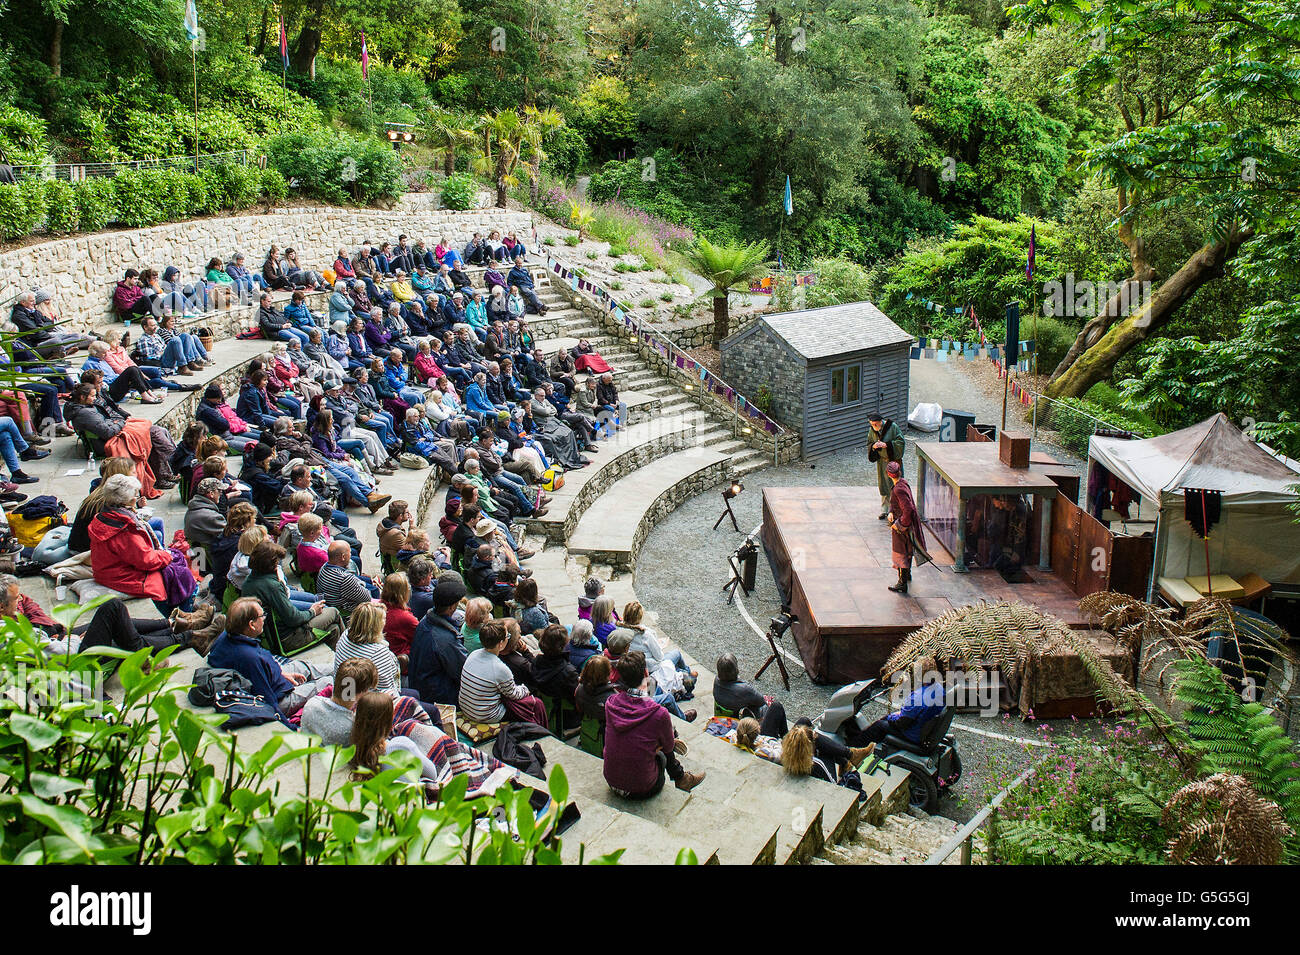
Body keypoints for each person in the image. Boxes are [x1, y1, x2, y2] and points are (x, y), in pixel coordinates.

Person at [87, 474, 195, 617]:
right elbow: (146, 560)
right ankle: (184, 617)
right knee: (184, 575)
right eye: (136, 496)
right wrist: (166, 555)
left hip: (110, 569)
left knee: (177, 562)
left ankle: (182, 608)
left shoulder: (105, 516)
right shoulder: (124, 530)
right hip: (123, 575)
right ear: (129, 500)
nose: (137, 498)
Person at [207, 598, 332, 719]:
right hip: (281, 698)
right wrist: (290, 727)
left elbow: (213, 658)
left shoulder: (226, 637)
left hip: (276, 676)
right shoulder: (250, 658)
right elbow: (267, 699)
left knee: (304, 667)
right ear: (251, 625)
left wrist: (280, 673)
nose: (264, 619)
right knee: (327, 682)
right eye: (262, 616)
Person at [603, 651, 705, 798]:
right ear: (646, 672)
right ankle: (682, 778)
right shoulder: (658, 713)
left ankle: (682, 778)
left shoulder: (611, 703)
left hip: (611, 780)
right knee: (663, 754)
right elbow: (669, 747)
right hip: (642, 787)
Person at [240, 540, 343, 651]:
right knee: (333, 611)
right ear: (271, 564)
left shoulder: (248, 582)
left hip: (270, 637)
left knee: (334, 629)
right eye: (277, 562)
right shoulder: (272, 586)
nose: (278, 565)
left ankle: (343, 653)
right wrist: (313, 611)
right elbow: (293, 618)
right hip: (288, 638)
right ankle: (351, 649)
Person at [458, 619, 547, 725]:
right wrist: (526, 688)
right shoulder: (500, 668)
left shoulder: (473, 654)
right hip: (486, 715)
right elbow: (514, 695)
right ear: (501, 644)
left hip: (466, 707)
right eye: (507, 636)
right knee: (534, 704)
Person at [409, 573, 469, 705]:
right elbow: (462, 672)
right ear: (452, 607)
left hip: (419, 682)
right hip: (437, 695)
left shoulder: (426, 620)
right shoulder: (445, 639)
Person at [334, 601, 403, 696]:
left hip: (345, 693)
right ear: (375, 625)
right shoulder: (379, 652)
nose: (385, 622)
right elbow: (387, 689)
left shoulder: (346, 634)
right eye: (383, 619)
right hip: (366, 702)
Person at [886, 460, 927, 594]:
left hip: (903, 527)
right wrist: (891, 511)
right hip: (905, 524)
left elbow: (907, 509)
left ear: (888, 474)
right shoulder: (902, 483)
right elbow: (897, 502)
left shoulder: (898, 489)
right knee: (906, 551)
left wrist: (899, 525)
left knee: (901, 553)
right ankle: (906, 575)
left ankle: (902, 583)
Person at [316, 540, 381, 620]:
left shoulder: (324, 567)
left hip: (332, 600)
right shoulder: (344, 579)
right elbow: (367, 598)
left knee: (367, 581)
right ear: (343, 557)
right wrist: (360, 584)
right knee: (374, 591)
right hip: (346, 609)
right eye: (349, 553)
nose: (350, 555)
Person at [868, 412, 906, 520]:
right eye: (872, 424)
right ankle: (885, 509)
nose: (874, 426)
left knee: (896, 486)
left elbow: (901, 442)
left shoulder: (892, 427)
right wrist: (873, 447)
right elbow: (869, 443)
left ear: (881, 422)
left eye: (876, 424)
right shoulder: (872, 430)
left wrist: (887, 445)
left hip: (893, 461)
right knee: (884, 485)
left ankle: (897, 510)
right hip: (882, 462)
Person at [382, 571, 420, 658]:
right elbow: (422, 638)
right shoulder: (404, 618)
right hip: (402, 662)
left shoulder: (379, 607)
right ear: (404, 593)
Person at [183, 477, 227, 546]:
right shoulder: (212, 517)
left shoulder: (193, 507)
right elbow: (229, 534)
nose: (221, 494)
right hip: (208, 553)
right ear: (211, 494)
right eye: (219, 491)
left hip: (196, 549)